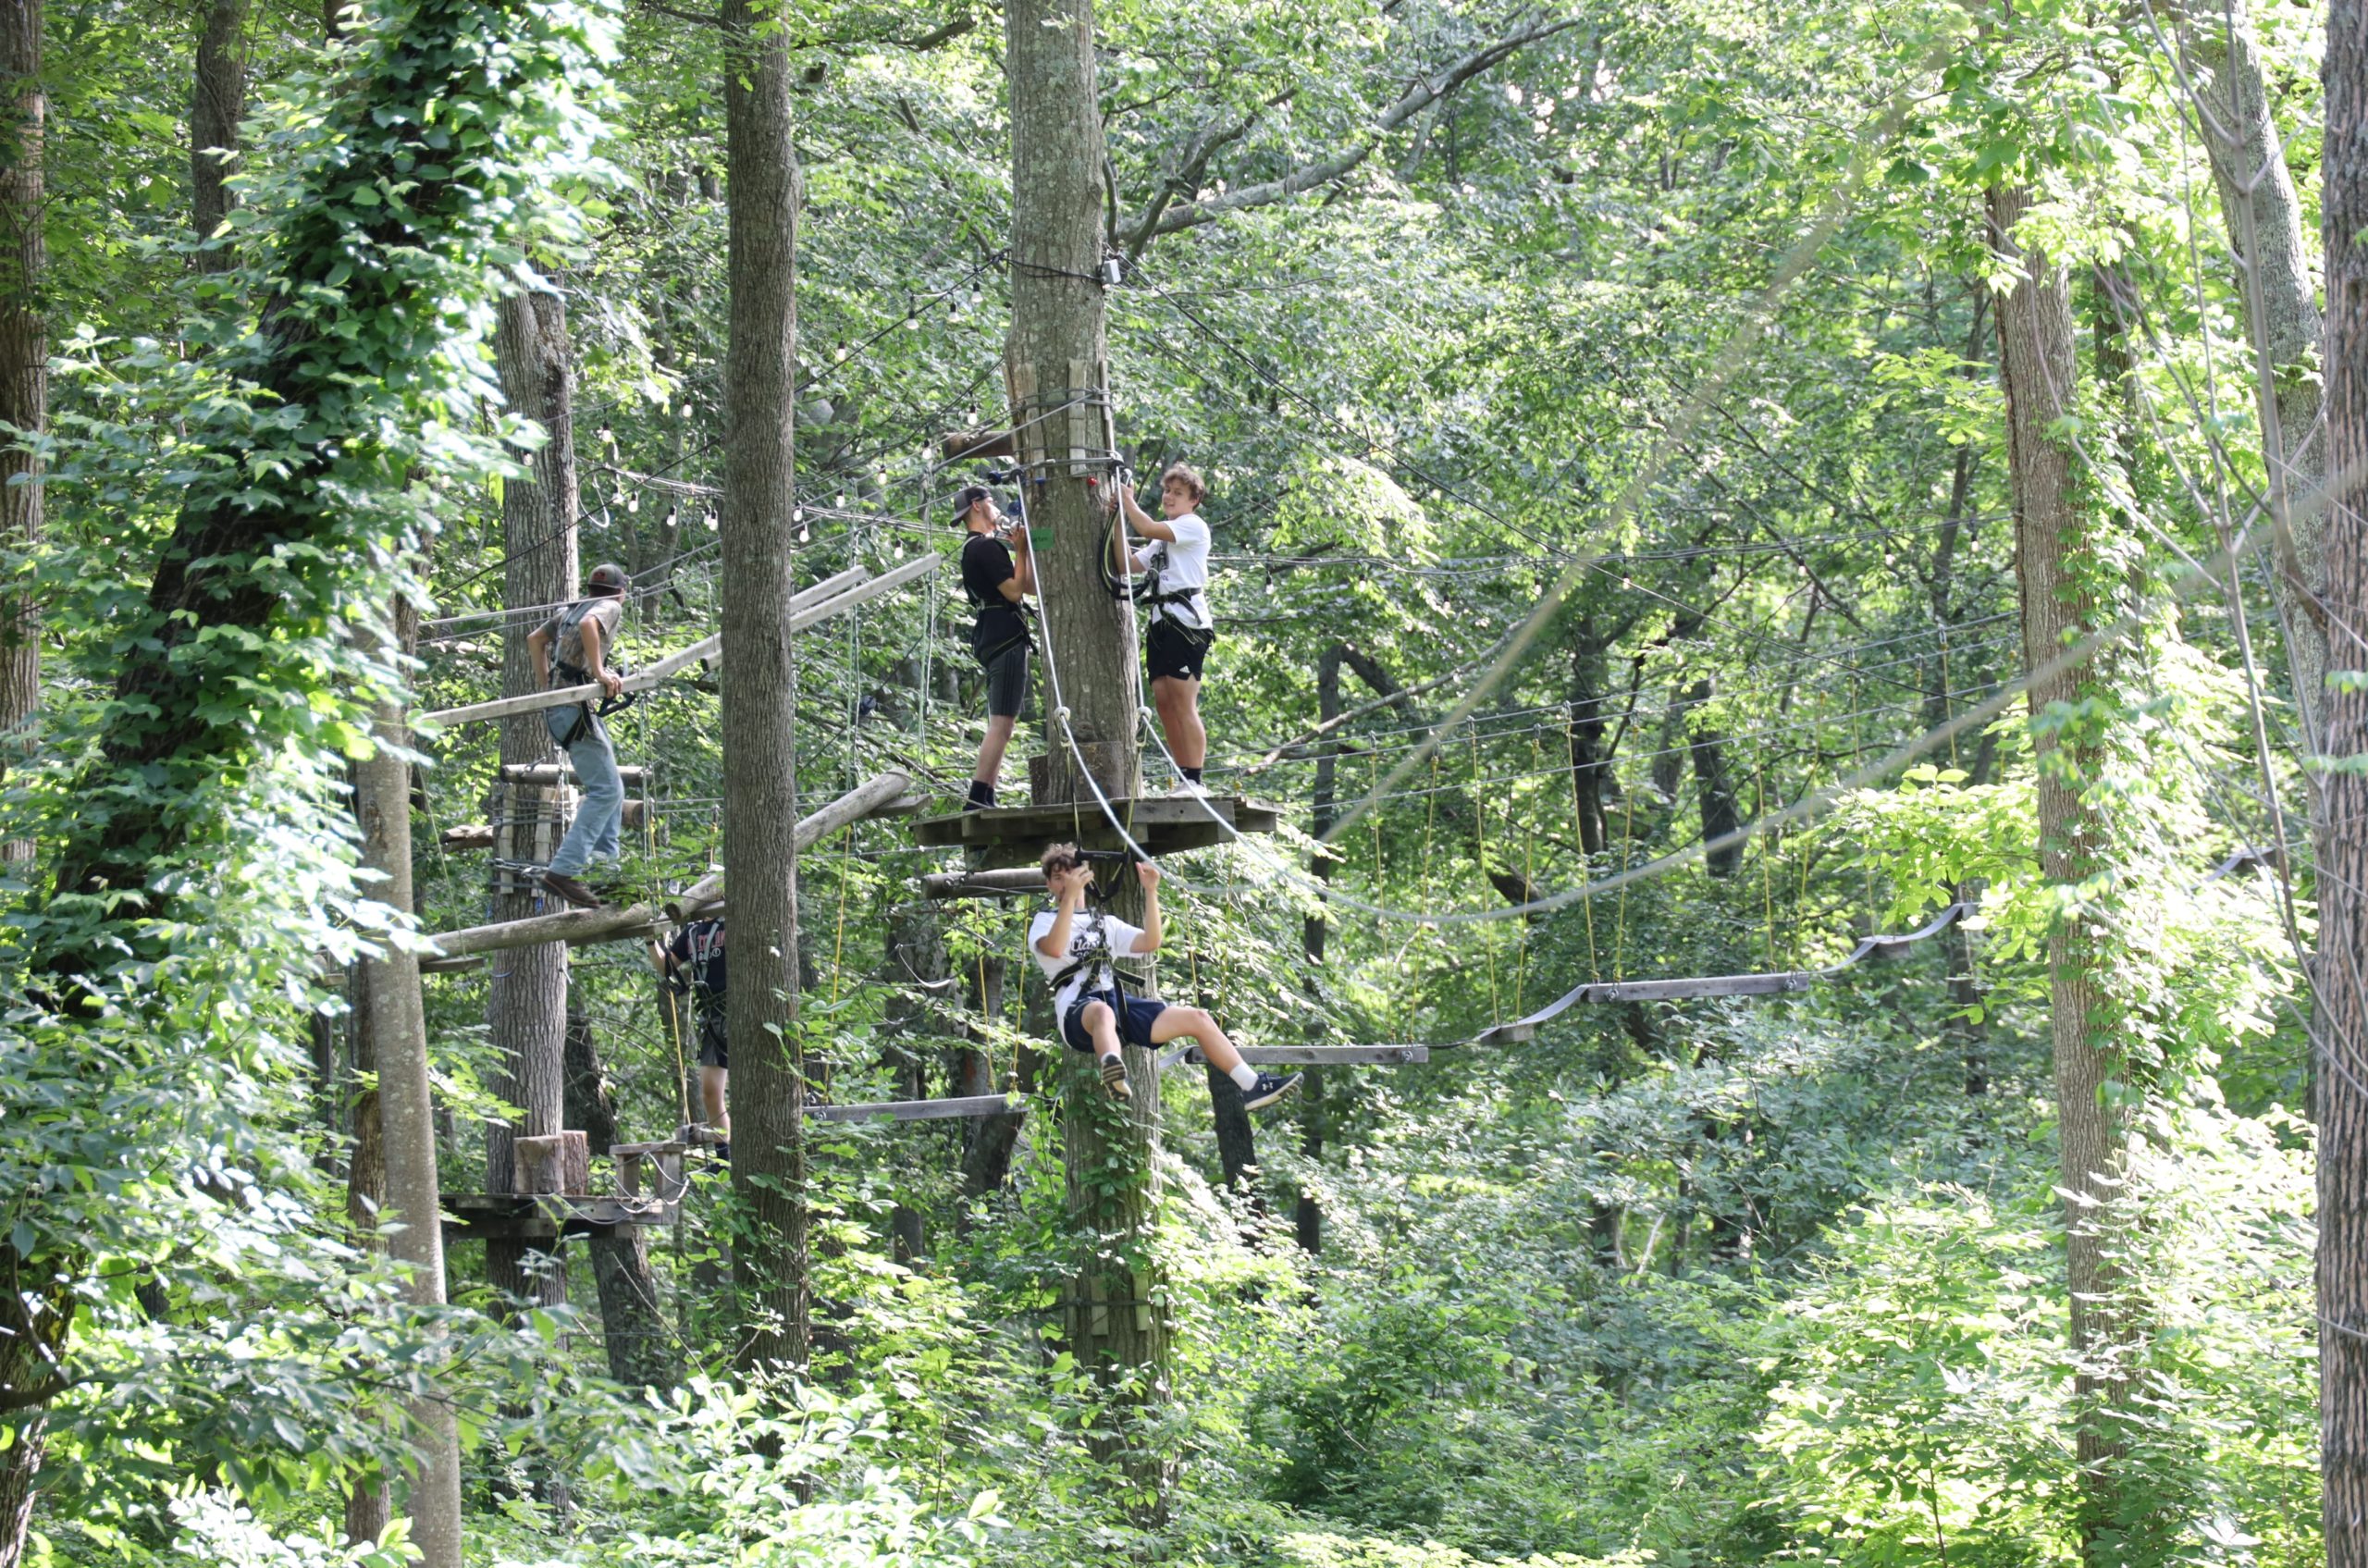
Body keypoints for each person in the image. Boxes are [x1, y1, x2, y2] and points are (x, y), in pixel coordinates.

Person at [1029, 842, 1299, 1109]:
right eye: (1058, 878)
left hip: (1118, 1004)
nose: (1065, 883)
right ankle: (1112, 1070)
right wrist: (1070, 899)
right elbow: (1055, 948)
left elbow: (1150, 941)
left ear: (1085, 877)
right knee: (1102, 1012)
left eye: (1071, 875)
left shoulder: (1104, 923)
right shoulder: (1044, 922)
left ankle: (1252, 1086)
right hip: (1077, 1010)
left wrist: (1151, 891)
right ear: (1049, 885)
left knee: (1198, 1018)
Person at [525, 562, 629, 909]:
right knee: (606, 790)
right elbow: (589, 626)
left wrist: (547, 686)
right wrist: (600, 672)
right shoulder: (608, 606)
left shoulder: (570, 609)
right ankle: (563, 872)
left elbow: (535, 639)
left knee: (612, 788)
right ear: (621, 592)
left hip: (563, 708)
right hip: (572, 709)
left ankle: (606, 874)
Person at [1116, 463, 1215, 796]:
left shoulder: (1191, 526)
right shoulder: (1162, 539)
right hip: (1162, 621)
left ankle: (1195, 779)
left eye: (1178, 493)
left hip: (1187, 623)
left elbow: (1145, 526)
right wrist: (1115, 521)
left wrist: (1127, 501)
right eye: (1168, 491)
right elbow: (1126, 564)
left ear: (1193, 500)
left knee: (1182, 700)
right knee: (1163, 700)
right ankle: (1183, 774)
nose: (1169, 497)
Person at [956, 483, 1036, 811]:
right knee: (1002, 723)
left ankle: (986, 794)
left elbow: (1027, 585)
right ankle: (978, 795)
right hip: (1005, 635)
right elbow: (1015, 592)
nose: (997, 507)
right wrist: (1020, 550)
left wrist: (1023, 552)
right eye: (991, 501)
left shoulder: (975, 548)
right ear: (977, 505)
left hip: (991, 633)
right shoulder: (986, 547)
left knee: (1003, 722)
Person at [649, 916, 729, 1153]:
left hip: (738, 1010)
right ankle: (724, 1158)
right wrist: (649, 940)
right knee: (710, 1093)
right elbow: (666, 967)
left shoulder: (732, 919)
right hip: (711, 1017)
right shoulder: (693, 931)